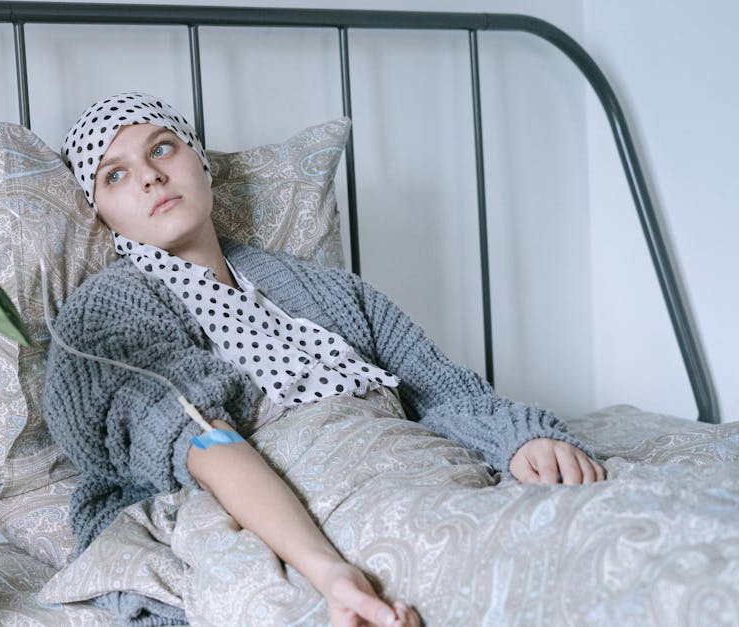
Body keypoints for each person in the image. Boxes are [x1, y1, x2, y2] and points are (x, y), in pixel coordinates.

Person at [42, 92, 606, 627]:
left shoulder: (325, 289)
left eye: (162, 147)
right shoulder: (107, 315)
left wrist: (520, 439)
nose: (149, 175)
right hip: (288, 495)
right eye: (114, 174)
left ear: (200, 161)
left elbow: (436, 382)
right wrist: (329, 573)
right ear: (102, 213)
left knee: (580, 535)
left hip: (410, 458)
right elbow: (203, 442)